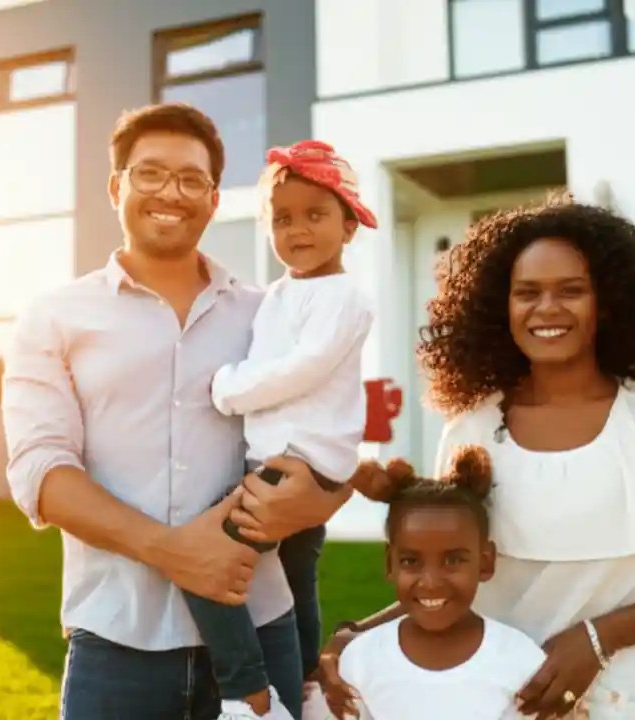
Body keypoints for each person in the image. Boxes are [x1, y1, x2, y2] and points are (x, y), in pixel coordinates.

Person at [318, 197, 635, 720]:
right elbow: (446, 571)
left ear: (606, 303)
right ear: (502, 307)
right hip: (495, 701)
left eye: (571, 290)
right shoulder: (472, 427)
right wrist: (355, 636)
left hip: (624, 702)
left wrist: (597, 640)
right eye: (527, 293)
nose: (547, 308)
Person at [1, 103, 353, 720]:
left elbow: (334, 434)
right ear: (116, 188)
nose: (171, 192)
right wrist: (172, 550)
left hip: (260, 631)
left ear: (214, 201)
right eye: (150, 174)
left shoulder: (270, 313)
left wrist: (320, 500)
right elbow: (40, 473)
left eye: (192, 180)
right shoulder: (53, 316)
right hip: (116, 643)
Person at [183, 140, 377, 720]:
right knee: (295, 579)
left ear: (348, 226)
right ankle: (310, 681)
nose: (298, 230)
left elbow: (301, 369)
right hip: (284, 456)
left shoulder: (345, 297)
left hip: (300, 462)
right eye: (282, 218)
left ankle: (245, 686)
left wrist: (227, 387)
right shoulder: (278, 295)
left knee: (204, 558)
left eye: (315, 215)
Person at [333, 445, 547, 719]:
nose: (431, 582)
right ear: (390, 564)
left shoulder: (522, 662)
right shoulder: (359, 662)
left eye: (453, 560)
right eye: (411, 561)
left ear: (485, 562)